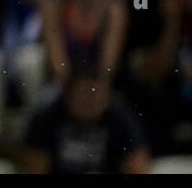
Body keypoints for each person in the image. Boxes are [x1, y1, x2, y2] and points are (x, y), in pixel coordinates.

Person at [22, 67, 150, 174]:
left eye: (97, 95)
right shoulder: (47, 117)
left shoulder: (120, 118)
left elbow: (137, 162)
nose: (91, 102)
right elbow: (34, 164)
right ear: (67, 95)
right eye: (84, 95)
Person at [39, 0, 127, 87]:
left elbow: (107, 68)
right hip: (62, 88)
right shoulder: (54, 8)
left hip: (99, 90)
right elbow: (58, 68)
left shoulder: (114, 11)